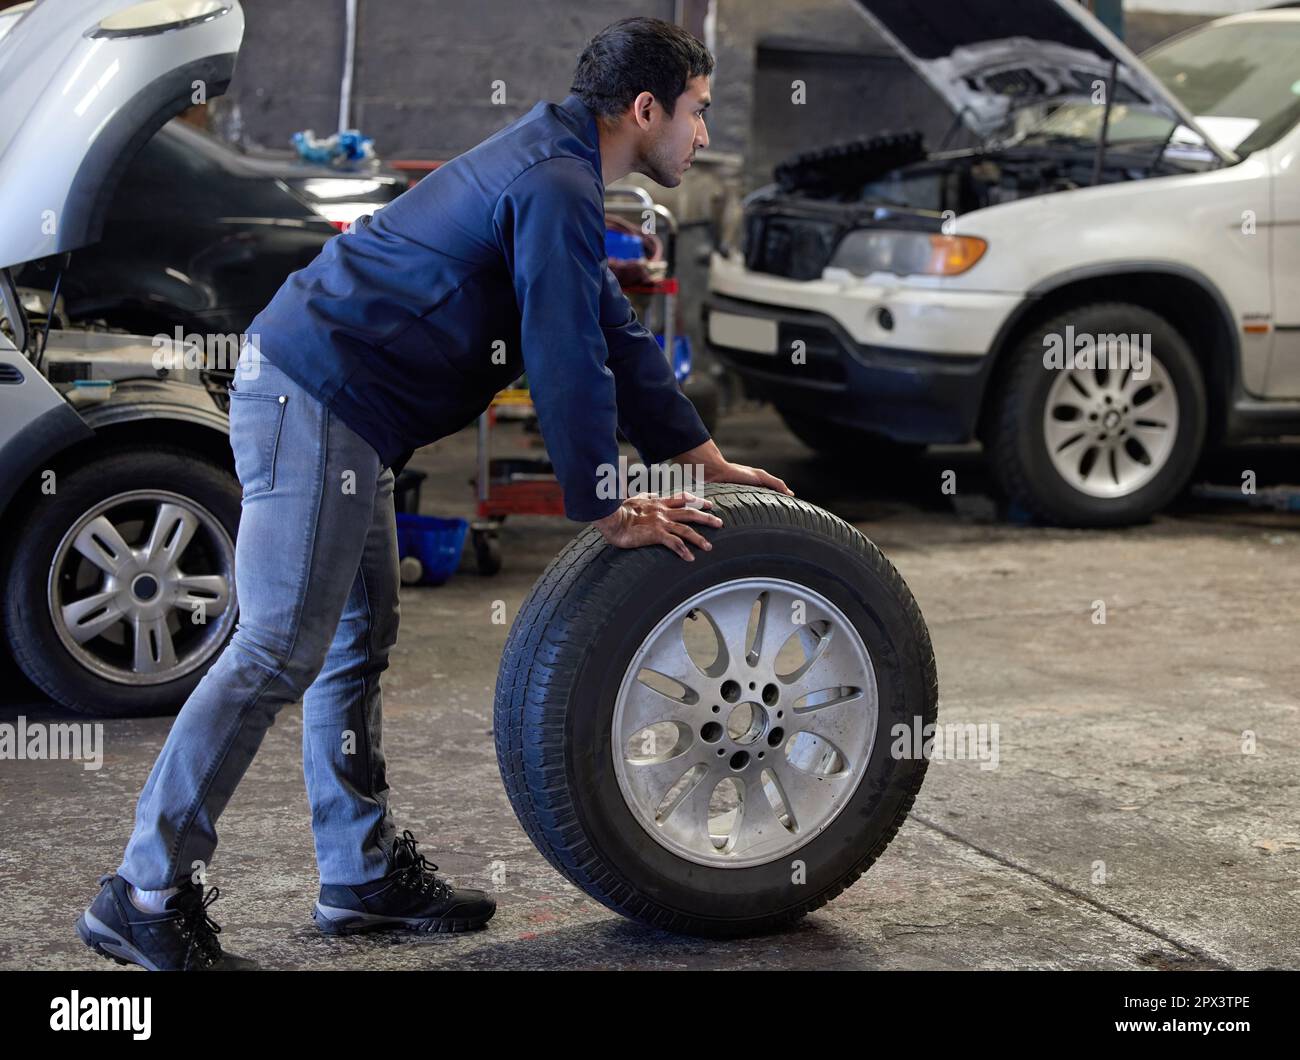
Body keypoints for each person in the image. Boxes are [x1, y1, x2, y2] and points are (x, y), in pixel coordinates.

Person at [76, 16, 791, 971]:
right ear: (647, 108)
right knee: (278, 646)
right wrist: (605, 501)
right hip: (314, 398)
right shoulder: (554, 177)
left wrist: (699, 455)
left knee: (353, 644)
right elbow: (564, 351)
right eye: (698, 113)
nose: (704, 137)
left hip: (346, 412)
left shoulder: (558, 165)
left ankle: (357, 875)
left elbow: (609, 329)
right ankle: (144, 892)